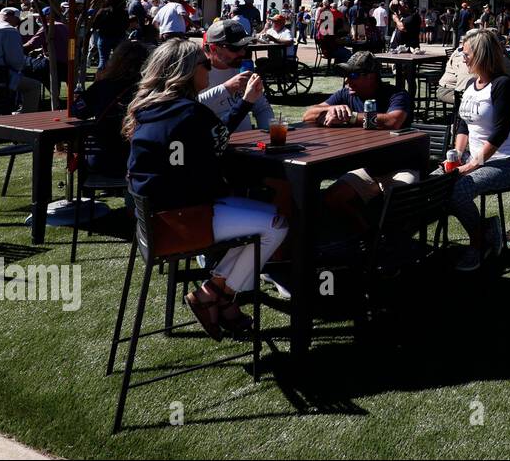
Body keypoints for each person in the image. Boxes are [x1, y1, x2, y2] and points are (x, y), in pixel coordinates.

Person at [124, 38, 289, 338]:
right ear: (187, 71)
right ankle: (213, 293)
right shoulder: (188, 113)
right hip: (185, 221)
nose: (209, 69)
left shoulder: (150, 109)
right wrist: (247, 102)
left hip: (151, 223)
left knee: (251, 217)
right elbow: (219, 140)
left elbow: (208, 145)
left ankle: (222, 299)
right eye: (205, 64)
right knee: (276, 223)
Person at [301, 51, 413, 234]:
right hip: (368, 169)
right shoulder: (346, 94)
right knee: (332, 198)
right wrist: (330, 111)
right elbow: (307, 116)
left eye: (353, 75)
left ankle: (395, 244)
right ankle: (369, 236)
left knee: (398, 208)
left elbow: (393, 121)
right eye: (346, 75)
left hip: (400, 166)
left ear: (371, 77)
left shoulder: (396, 94)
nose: (347, 80)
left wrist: (351, 117)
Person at [447, 29, 510, 272]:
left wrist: (472, 164)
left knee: (458, 189)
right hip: (475, 159)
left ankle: (479, 242)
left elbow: (500, 133)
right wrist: (456, 156)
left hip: (508, 163)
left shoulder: (502, 85)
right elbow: (463, 124)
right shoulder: (472, 84)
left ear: (481, 55)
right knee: (433, 185)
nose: (463, 58)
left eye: (467, 54)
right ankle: (488, 230)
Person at [72, 40, 150, 178]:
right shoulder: (150, 92)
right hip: (137, 162)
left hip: (101, 159)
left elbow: (77, 111)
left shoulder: (102, 87)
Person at [198, 18, 272, 132]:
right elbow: (187, 108)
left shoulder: (241, 69)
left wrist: (269, 133)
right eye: (235, 48)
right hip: (212, 145)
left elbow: (262, 108)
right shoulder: (196, 72)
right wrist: (226, 88)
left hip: (246, 145)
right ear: (213, 48)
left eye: (244, 46)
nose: (242, 52)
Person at [0, 6, 40, 111]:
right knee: (33, 86)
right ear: (14, 19)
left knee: (7, 76)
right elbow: (16, 62)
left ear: (0, 15)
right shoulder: (10, 31)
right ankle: (24, 120)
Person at [22, 8, 69, 94]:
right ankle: (55, 94)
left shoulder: (48, 27)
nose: (38, 19)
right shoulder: (66, 26)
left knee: (24, 63)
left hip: (52, 64)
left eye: (40, 17)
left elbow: (31, 45)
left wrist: (17, 48)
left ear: (48, 16)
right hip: (67, 65)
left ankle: (25, 99)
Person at [90, 0, 129, 69]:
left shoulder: (103, 11)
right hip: (119, 37)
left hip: (104, 37)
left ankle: (101, 78)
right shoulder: (124, 13)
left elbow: (95, 24)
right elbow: (126, 26)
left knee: (103, 60)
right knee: (118, 61)